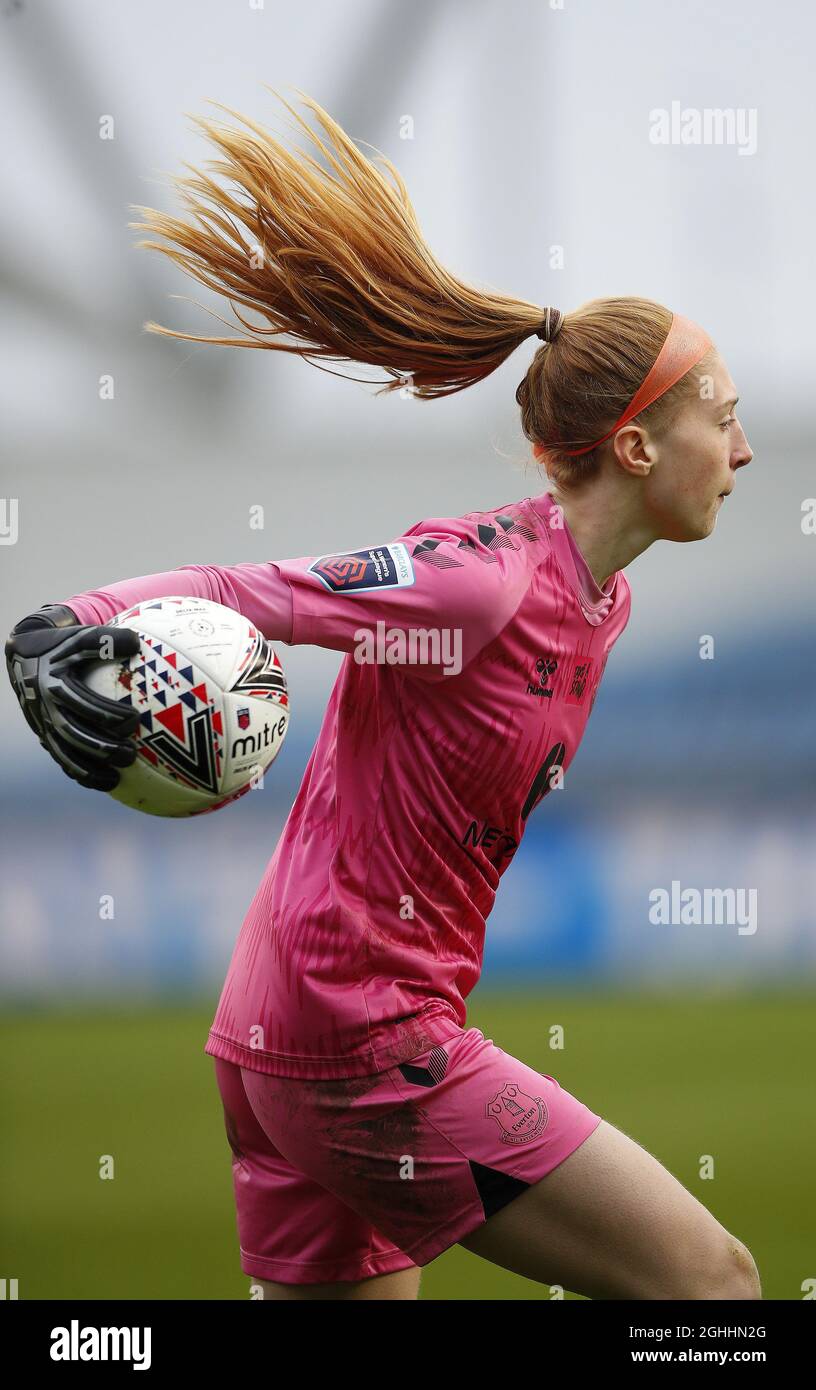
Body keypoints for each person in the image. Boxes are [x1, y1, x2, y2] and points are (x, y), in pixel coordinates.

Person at [5, 94, 758, 1301]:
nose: (744, 450)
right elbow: (246, 587)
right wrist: (73, 625)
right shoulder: (483, 580)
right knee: (711, 1289)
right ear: (633, 448)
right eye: (723, 421)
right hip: (362, 1044)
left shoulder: (600, 602)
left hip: (275, 1036)